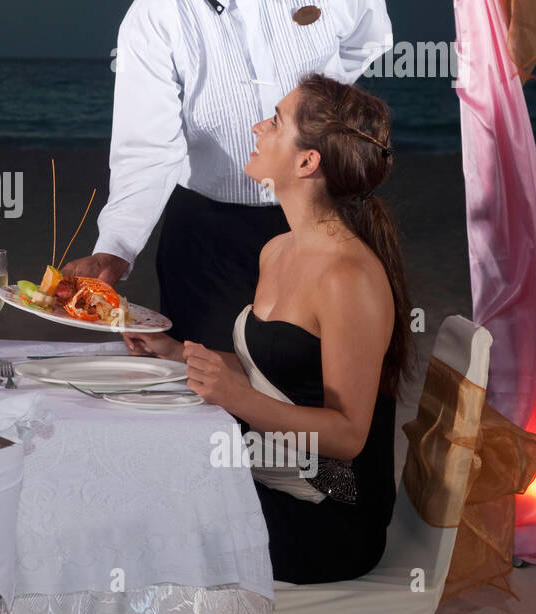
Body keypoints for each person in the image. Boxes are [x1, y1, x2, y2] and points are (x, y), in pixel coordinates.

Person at [65, 0, 392, 351]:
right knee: (211, 396)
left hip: (326, 214)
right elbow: (148, 151)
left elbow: (369, 40)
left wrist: (316, 118)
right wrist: (116, 251)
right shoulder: (152, 18)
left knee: (330, 379)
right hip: (211, 233)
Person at [124, 75, 411, 584]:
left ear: (307, 162)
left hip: (329, 513)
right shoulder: (277, 250)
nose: (257, 127)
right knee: (141, 475)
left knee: (150, 513)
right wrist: (173, 351)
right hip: (274, 471)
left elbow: (348, 437)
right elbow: (272, 368)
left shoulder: (350, 277)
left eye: (275, 122)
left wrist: (236, 398)